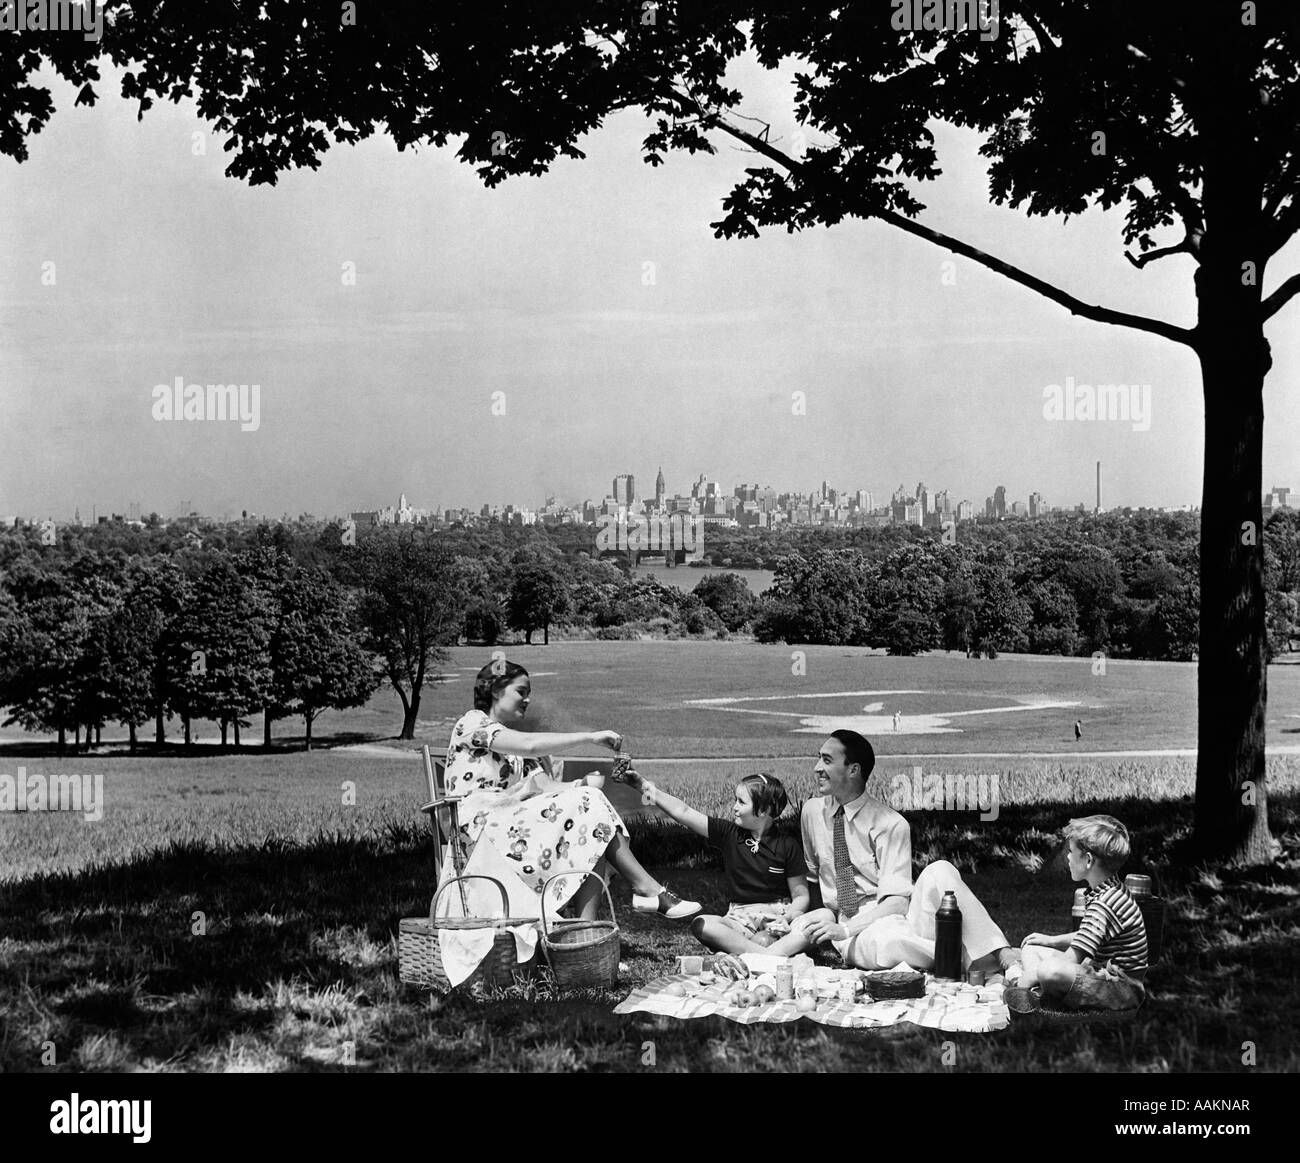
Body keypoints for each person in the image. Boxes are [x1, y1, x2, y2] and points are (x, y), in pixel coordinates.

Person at [442, 660, 701, 920]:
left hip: (510, 827)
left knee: (591, 820)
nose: (528, 699)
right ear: (496, 691)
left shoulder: (511, 742)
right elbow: (531, 745)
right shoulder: (474, 723)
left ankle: (585, 932)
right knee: (590, 809)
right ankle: (646, 889)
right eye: (521, 691)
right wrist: (589, 737)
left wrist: (584, 785)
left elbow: (546, 787)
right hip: (477, 830)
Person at [758, 729, 1014, 974]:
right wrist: (802, 919)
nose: (817, 768)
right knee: (885, 942)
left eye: (826, 760)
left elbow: (897, 902)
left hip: (891, 914)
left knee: (941, 870)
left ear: (853, 770)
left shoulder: (891, 823)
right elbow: (812, 877)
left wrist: (844, 931)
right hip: (855, 925)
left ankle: (1001, 953)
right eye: (818, 758)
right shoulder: (812, 812)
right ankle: (972, 958)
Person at [627, 770, 809, 954]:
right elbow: (683, 812)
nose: (734, 807)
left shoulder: (787, 846)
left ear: (763, 811)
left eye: (742, 802)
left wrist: (789, 917)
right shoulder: (729, 833)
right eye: (735, 800)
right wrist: (643, 787)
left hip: (778, 917)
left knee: (822, 916)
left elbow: (801, 896)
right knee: (702, 924)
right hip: (740, 919)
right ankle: (768, 953)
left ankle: (751, 949)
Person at [1004, 815, 1148, 1013]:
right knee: (1033, 948)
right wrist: (1051, 941)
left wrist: (1031, 976)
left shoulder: (1104, 904)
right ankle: (1039, 992)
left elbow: (1072, 959)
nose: (1068, 858)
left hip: (1120, 990)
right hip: (1103, 974)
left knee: (1049, 970)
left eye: (1071, 852)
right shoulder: (1111, 890)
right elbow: (1090, 935)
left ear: (1088, 860)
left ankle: (1030, 990)